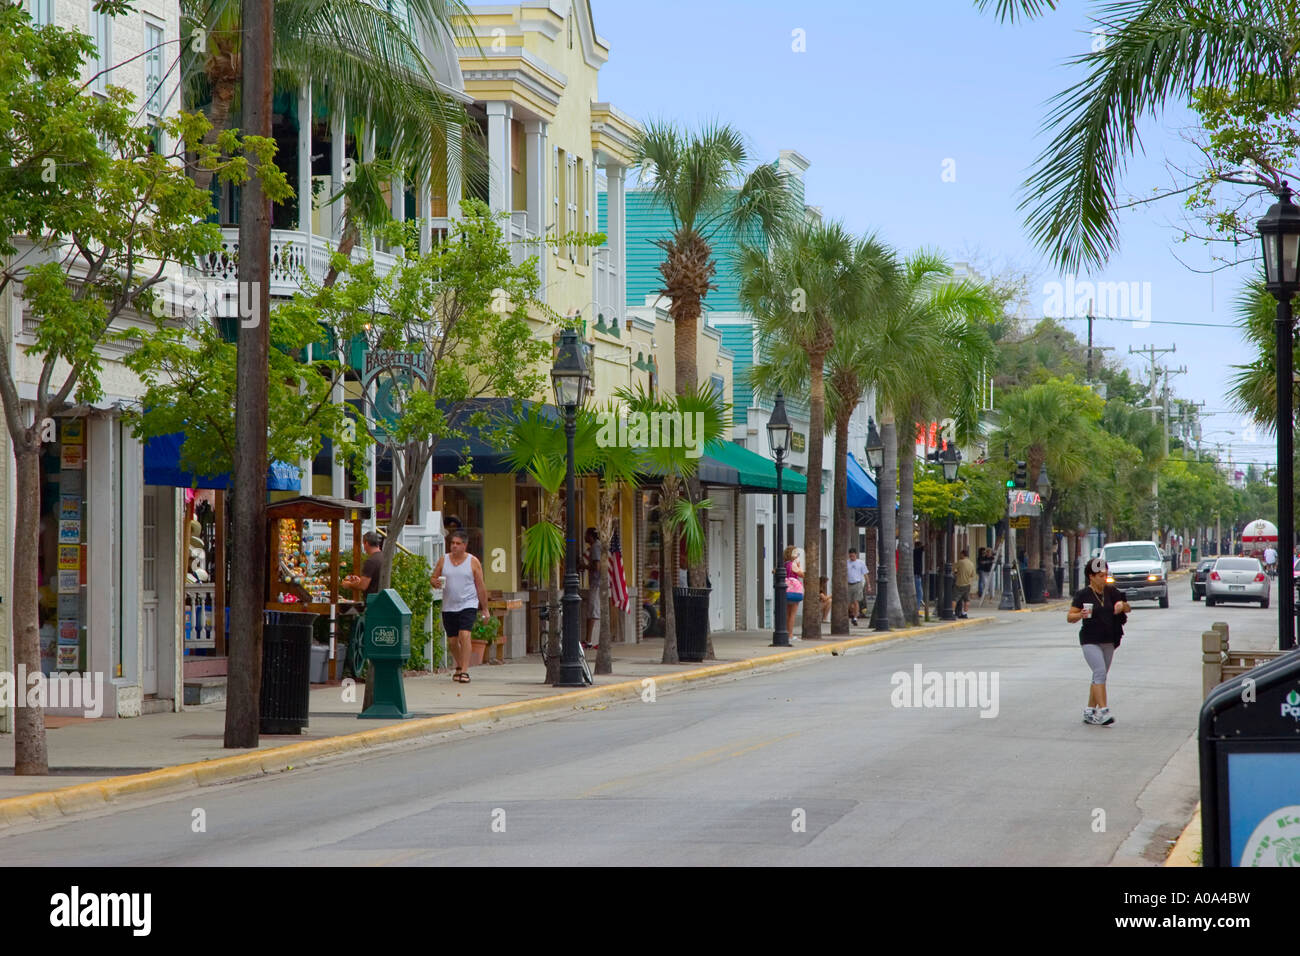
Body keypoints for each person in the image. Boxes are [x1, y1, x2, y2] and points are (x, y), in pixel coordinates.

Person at [1066, 556, 1131, 726]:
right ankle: (1103, 711)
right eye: (1101, 575)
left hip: (1109, 639)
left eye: (1106, 575)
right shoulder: (1083, 594)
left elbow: (1128, 607)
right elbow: (1070, 617)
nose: (1104, 578)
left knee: (1099, 676)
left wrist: (1121, 606)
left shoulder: (1112, 591)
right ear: (1091, 576)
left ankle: (1089, 710)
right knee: (1100, 671)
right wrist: (1080, 614)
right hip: (1090, 639)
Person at [431, 529, 490, 684]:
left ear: (465, 545)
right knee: (452, 641)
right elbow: (433, 577)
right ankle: (459, 665)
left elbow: (480, 586)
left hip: (468, 603)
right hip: (449, 605)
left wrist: (485, 608)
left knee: (464, 635)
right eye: (452, 543)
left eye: (458, 544)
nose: (454, 546)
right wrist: (434, 582)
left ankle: (464, 670)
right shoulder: (444, 560)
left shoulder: (473, 561)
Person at [579, 527, 602, 648]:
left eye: (586, 535)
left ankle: (589, 640)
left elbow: (597, 566)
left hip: (596, 583)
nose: (584, 537)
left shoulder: (595, 547)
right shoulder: (597, 546)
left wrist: (585, 566)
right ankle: (593, 640)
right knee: (594, 610)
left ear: (590, 536)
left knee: (593, 610)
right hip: (598, 583)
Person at [342, 531, 384, 597]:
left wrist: (349, 584)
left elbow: (363, 586)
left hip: (373, 601)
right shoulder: (383, 557)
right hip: (382, 598)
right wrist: (359, 581)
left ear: (366, 543)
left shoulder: (371, 561)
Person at [783, 545, 804, 640]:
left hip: (786, 589)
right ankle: (790, 634)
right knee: (792, 614)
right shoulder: (793, 564)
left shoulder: (784, 564)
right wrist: (800, 565)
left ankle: (786, 633)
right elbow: (802, 574)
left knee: (787, 613)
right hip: (794, 590)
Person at [846, 549, 868, 625]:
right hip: (848, 584)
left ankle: (855, 618)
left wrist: (868, 585)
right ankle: (851, 615)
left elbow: (865, 574)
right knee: (848, 602)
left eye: (853, 555)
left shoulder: (860, 563)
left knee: (856, 601)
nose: (852, 557)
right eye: (850, 556)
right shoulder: (847, 563)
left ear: (856, 555)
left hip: (857, 583)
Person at [953, 549, 976, 619]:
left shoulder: (960, 562)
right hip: (967, 584)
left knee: (954, 599)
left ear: (963, 554)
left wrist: (956, 573)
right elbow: (972, 575)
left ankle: (952, 613)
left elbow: (953, 568)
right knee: (966, 599)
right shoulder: (971, 563)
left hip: (959, 584)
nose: (960, 556)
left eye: (960, 554)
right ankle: (965, 613)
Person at [913, 539, 925, 610]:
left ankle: (917, 608)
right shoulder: (917, 551)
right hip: (917, 575)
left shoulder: (914, 552)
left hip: (917, 575)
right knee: (920, 593)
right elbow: (923, 547)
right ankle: (916, 609)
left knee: (918, 593)